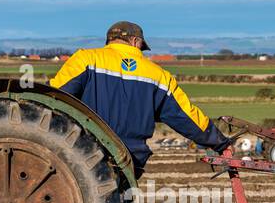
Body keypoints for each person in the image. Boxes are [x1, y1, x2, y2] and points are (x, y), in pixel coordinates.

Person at [50, 21, 230, 177]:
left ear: (110, 40)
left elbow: (54, 98)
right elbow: (186, 117)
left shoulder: (85, 59)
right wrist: (220, 143)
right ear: (136, 42)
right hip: (129, 160)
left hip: (85, 152)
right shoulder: (158, 75)